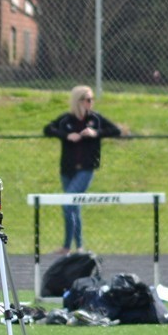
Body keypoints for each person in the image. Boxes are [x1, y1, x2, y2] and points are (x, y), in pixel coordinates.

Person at [43, 85, 122, 254]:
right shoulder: (66, 120)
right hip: (67, 169)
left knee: (67, 202)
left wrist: (95, 133)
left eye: (92, 99)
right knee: (74, 206)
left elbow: (116, 130)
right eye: (88, 99)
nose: (91, 102)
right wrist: (66, 135)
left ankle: (70, 246)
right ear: (78, 101)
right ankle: (76, 247)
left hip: (86, 168)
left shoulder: (96, 119)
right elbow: (48, 129)